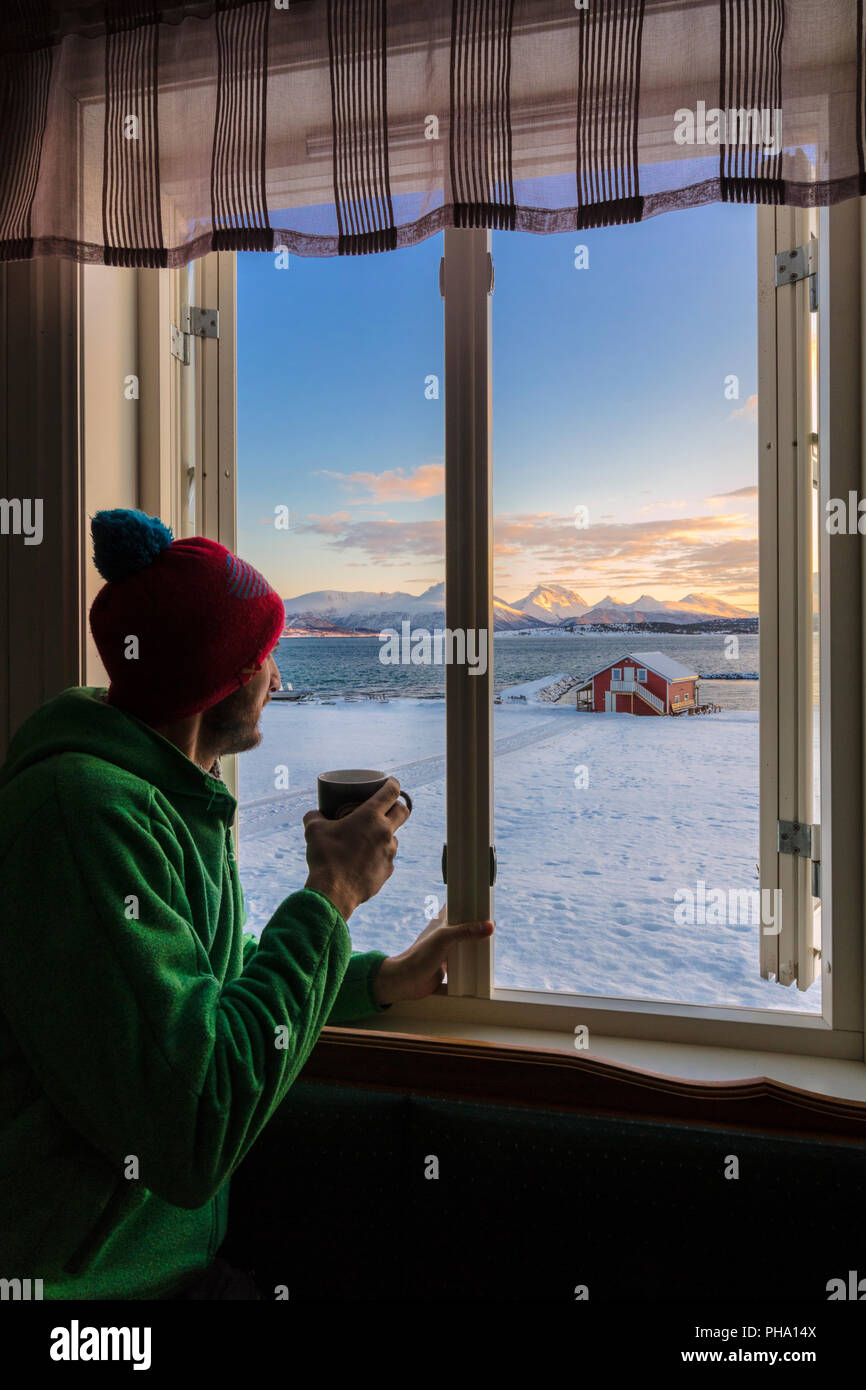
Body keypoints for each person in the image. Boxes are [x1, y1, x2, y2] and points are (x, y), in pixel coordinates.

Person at [0, 507, 493, 1300]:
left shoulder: (169, 795)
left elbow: (216, 997)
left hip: (170, 1268)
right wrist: (331, 894)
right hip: (82, 1301)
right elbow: (193, 1130)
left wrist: (370, 982)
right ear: (222, 682)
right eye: (266, 656)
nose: (279, 680)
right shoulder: (85, 817)